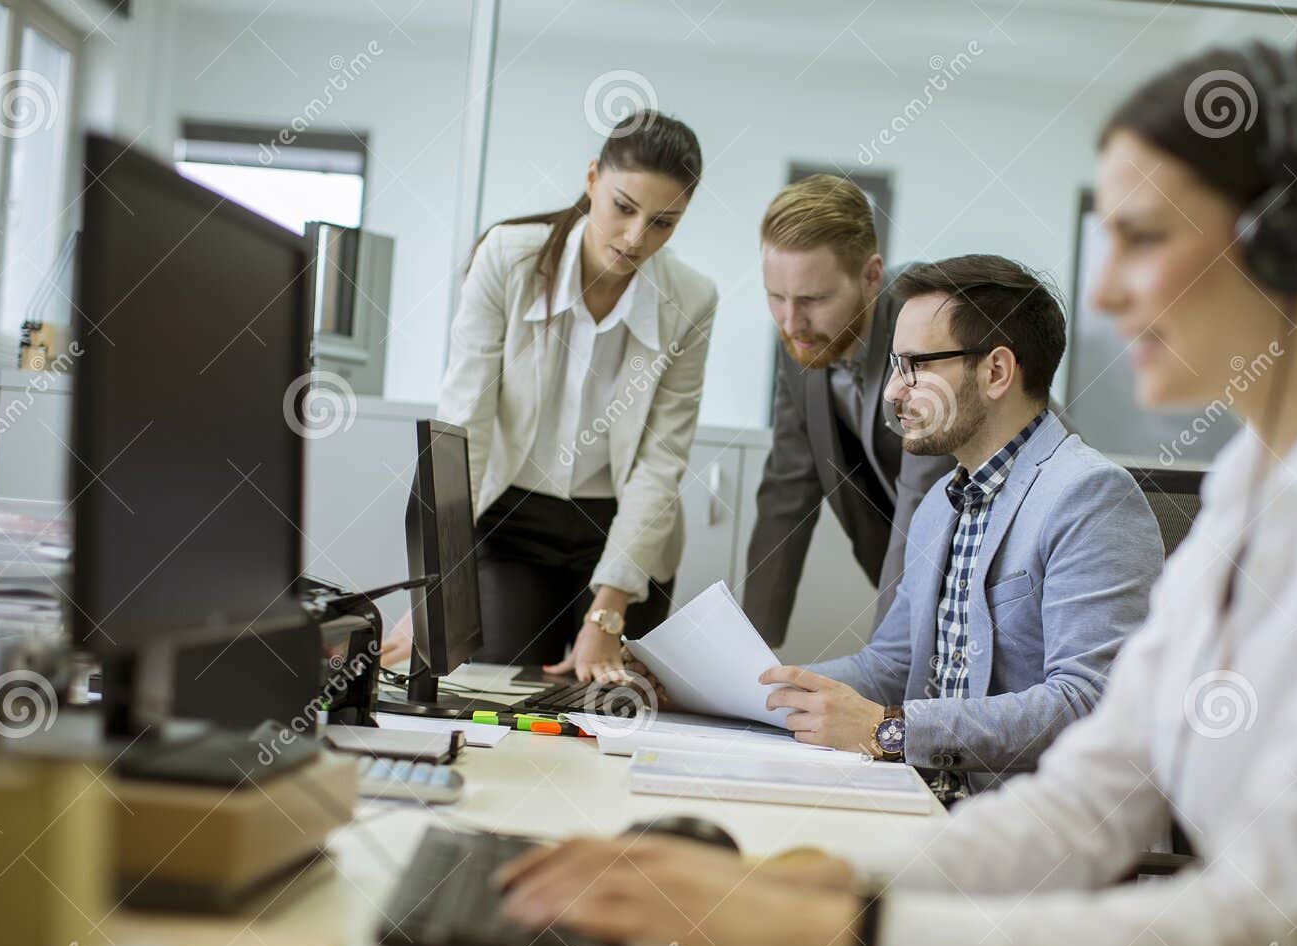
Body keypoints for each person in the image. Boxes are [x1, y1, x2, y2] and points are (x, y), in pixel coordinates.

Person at [490, 44, 1297, 946]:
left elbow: (1261, 932)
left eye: (1143, 237)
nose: (1101, 293)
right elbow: (1094, 798)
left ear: (1293, 246)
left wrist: (842, 930)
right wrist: (806, 881)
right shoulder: (1253, 489)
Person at [758, 255, 1162, 795]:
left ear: (996, 372)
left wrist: (890, 730)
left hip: (1024, 832)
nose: (894, 393)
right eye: (896, 366)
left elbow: (1088, 702)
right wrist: (759, 691)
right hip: (928, 803)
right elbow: (892, 665)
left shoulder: (1090, 497)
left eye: (916, 366)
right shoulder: (940, 506)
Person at [381, 111, 717, 681]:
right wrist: (432, 597)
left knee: (608, 704)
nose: (637, 239)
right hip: (511, 518)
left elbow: (661, 462)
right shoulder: (506, 259)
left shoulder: (692, 299)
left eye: (663, 223)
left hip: (624, 530)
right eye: (624, 208)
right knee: (493, 688)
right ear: (592, 179)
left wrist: (607, 613)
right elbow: (464, 429)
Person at [743, 175, 954, 647]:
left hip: (1016, 563)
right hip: (921, 577)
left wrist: (884, 659)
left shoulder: (927, 318)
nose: (791, 321)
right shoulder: (800, 339)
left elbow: (923, 501)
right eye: (776, 297)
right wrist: (746, 655)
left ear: (871, 275)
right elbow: (787, 488)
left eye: (814, 299)